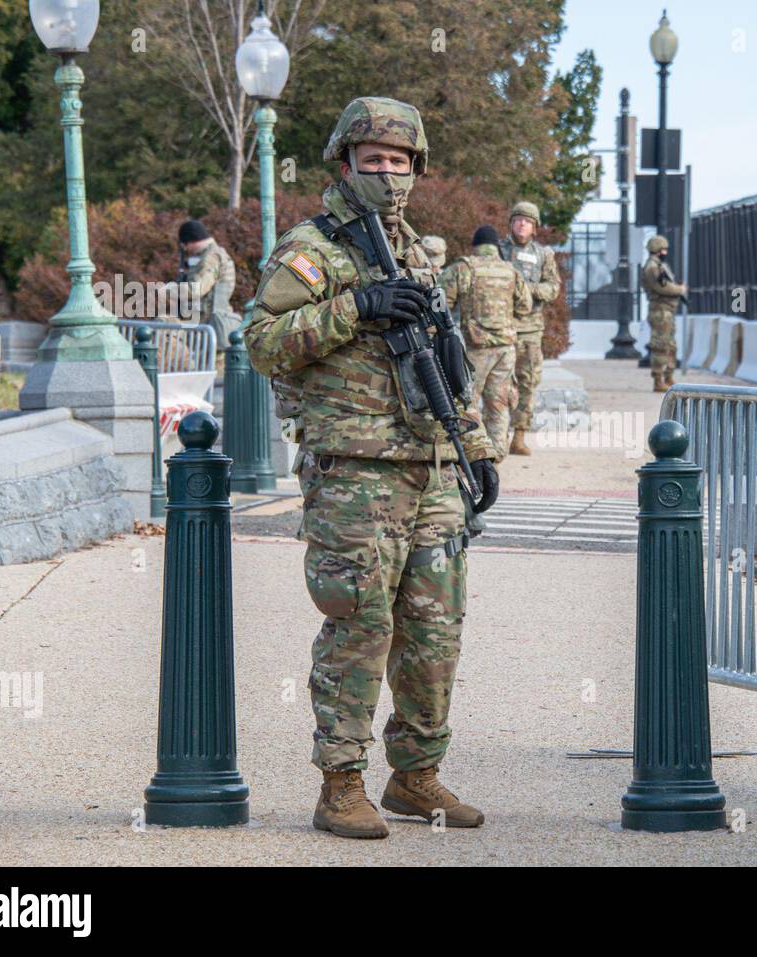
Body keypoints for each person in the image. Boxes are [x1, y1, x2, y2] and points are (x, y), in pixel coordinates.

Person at [244, 96, 500, 840]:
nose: (387, 175)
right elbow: (262, 340)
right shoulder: (313, 249)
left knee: (436, 629)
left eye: (400, 162)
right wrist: (356, 307)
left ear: (415, 169)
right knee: (360, 624)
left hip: (431, 466)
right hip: (356, 469)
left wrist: (476, 448)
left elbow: (447, 363)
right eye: (374, 160)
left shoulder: (417, 249)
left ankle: (415, 776)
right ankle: (341, 783)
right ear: (346, 162)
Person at [437, 225, 531, 461]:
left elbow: (440, 304)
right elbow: (525, 307)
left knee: (467, 402)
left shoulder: (463, 267)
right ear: (496, 246)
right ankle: (496, 457)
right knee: (499, 403)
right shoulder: (511, 270)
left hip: (475, 349)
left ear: (475, 246)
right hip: (506, 348)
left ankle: (474, 455)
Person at [497, 201, 561, 456]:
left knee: (528, 382)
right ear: (511, 223)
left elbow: (553, 288)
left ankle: (519, 435)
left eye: (528, 221)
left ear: (534, 228)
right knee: (500, 385)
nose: (522, 224)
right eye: (518, 219)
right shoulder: (499, 251)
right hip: (503, 328)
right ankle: (498, 434)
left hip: (531, 330)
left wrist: (527, 288)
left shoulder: (544, 255)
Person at [176, 219, 239, 352]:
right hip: (213, 322)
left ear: (190, 241)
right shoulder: (214, 254)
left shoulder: (210, 257)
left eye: (185, 245)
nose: (185, 249)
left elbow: (197, 289)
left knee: (210, 368)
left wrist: (170, 290)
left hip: (211, 324)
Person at [640, 234, 687, 392]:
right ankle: (658, 379)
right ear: (658, 249)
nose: (665, 251)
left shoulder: (658, 265)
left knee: (670, 345)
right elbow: (662, 287)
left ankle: (668, 376)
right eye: (664, 249)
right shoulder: (652, 267)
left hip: (667, 310)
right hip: (660, 311)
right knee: (660, 345)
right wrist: (680, 290)